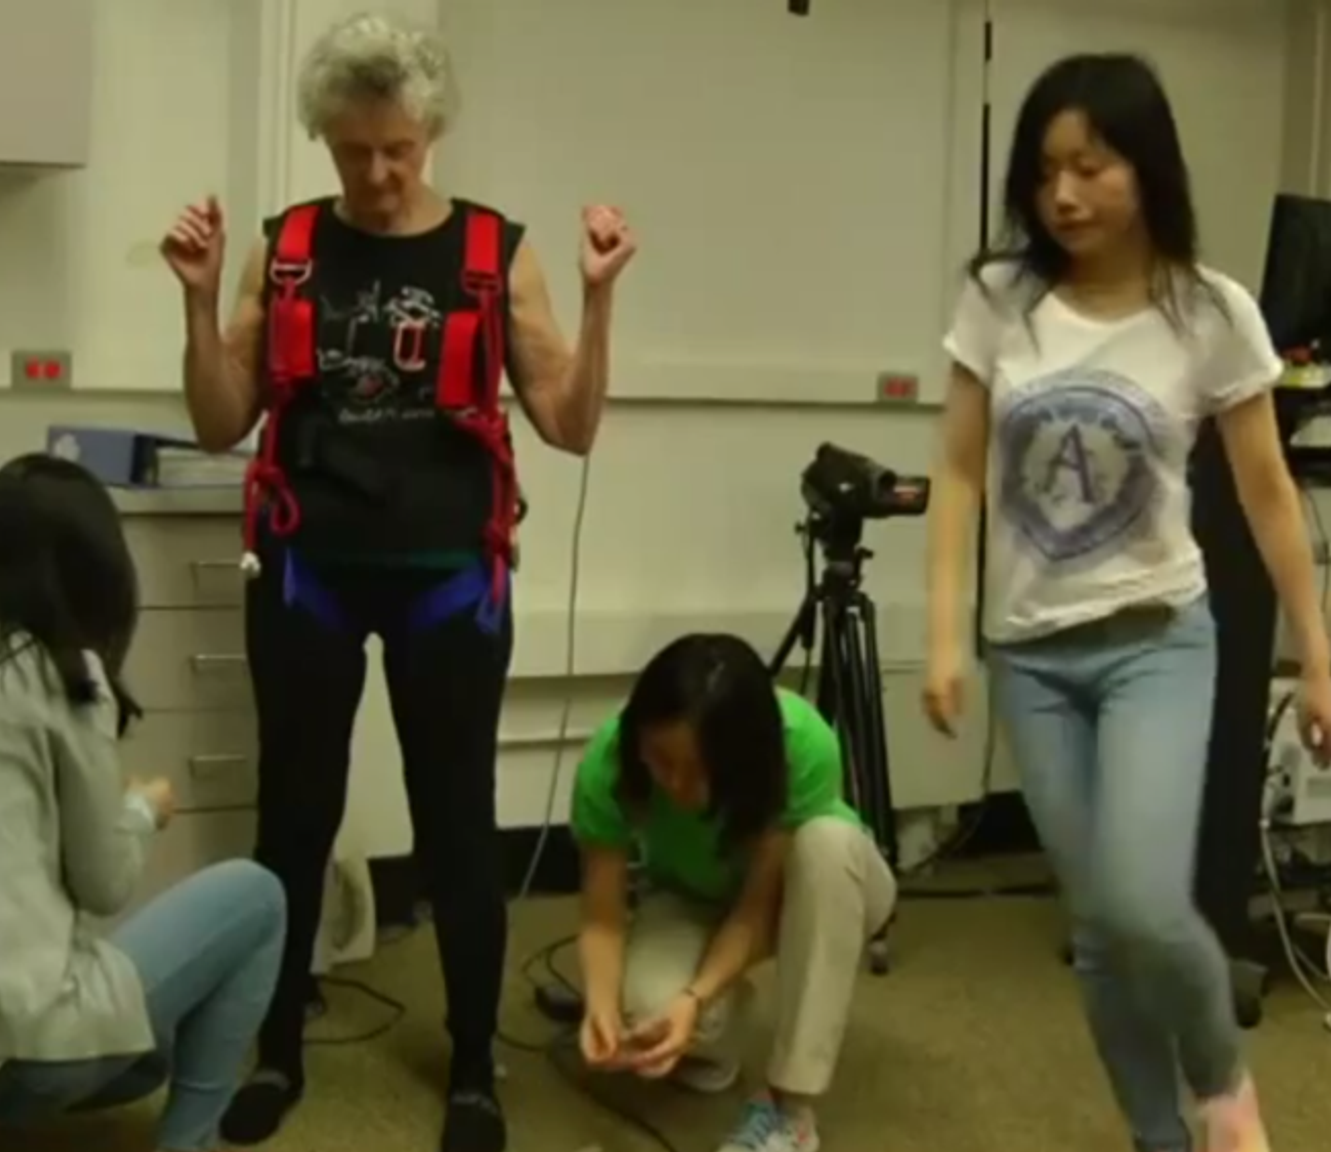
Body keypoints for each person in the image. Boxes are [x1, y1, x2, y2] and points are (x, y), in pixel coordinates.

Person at [158, 12, 636, 1152]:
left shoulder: (490, 251)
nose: (375, 176)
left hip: (448, 582)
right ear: (324, 136)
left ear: (429, 132)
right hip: (305, 570)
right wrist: (194, 295)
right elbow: (222, 419)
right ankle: (270, 1050)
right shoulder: (285, 250)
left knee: (456, 829)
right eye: (352, 150)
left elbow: (566, 425)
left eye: (398, 151)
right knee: (291, 821)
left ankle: (474, 1071)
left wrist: (599, 294)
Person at [923, 53, 1331, 1152]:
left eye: (1090, 168)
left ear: (1143, 170)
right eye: (1045, 170)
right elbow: (958, 470)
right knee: (1098, 937)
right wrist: (942, 641)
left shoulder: (1207, 310)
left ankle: (1220, 1091)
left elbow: (1264, 492)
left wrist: (1318, 650)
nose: (1062, 195)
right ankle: (1160, 1139)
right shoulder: (996, 300)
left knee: (1147, 904)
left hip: (1156, 639)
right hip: (1030, 653)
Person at [0, 452, 287, 1152]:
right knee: (259, 897)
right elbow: (104, 883)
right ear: (97, 568)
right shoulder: (66, 675)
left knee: (149, 1046)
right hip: (9, 1048)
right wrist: (142, 810)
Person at [570, 634, 894, 1152]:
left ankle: (791, 1106)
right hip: (693, 898)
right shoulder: (607, 762)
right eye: (660, 759)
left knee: (826, 845)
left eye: (698, 771)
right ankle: (718, 1043)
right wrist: (600, 1006)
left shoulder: (803, 744)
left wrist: (695, 997)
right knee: (647, 1013)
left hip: (816, 888)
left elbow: (755, 912)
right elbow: (603, 919)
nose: (676, 784)